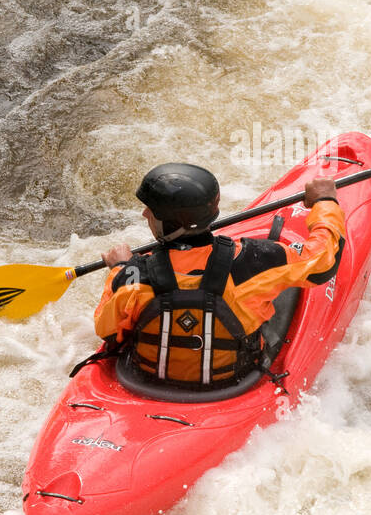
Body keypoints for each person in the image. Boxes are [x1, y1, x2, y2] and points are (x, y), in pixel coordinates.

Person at [94, 162, 345, 390]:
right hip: (231, 380)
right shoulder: (254, 261)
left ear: (168, 223)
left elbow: (107, 331)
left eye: (151, 210)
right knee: (276, 290)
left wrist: (120, 270)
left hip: (150, 380)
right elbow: (322, 262)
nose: (144, 214)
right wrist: (325, 202)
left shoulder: (135, 275)